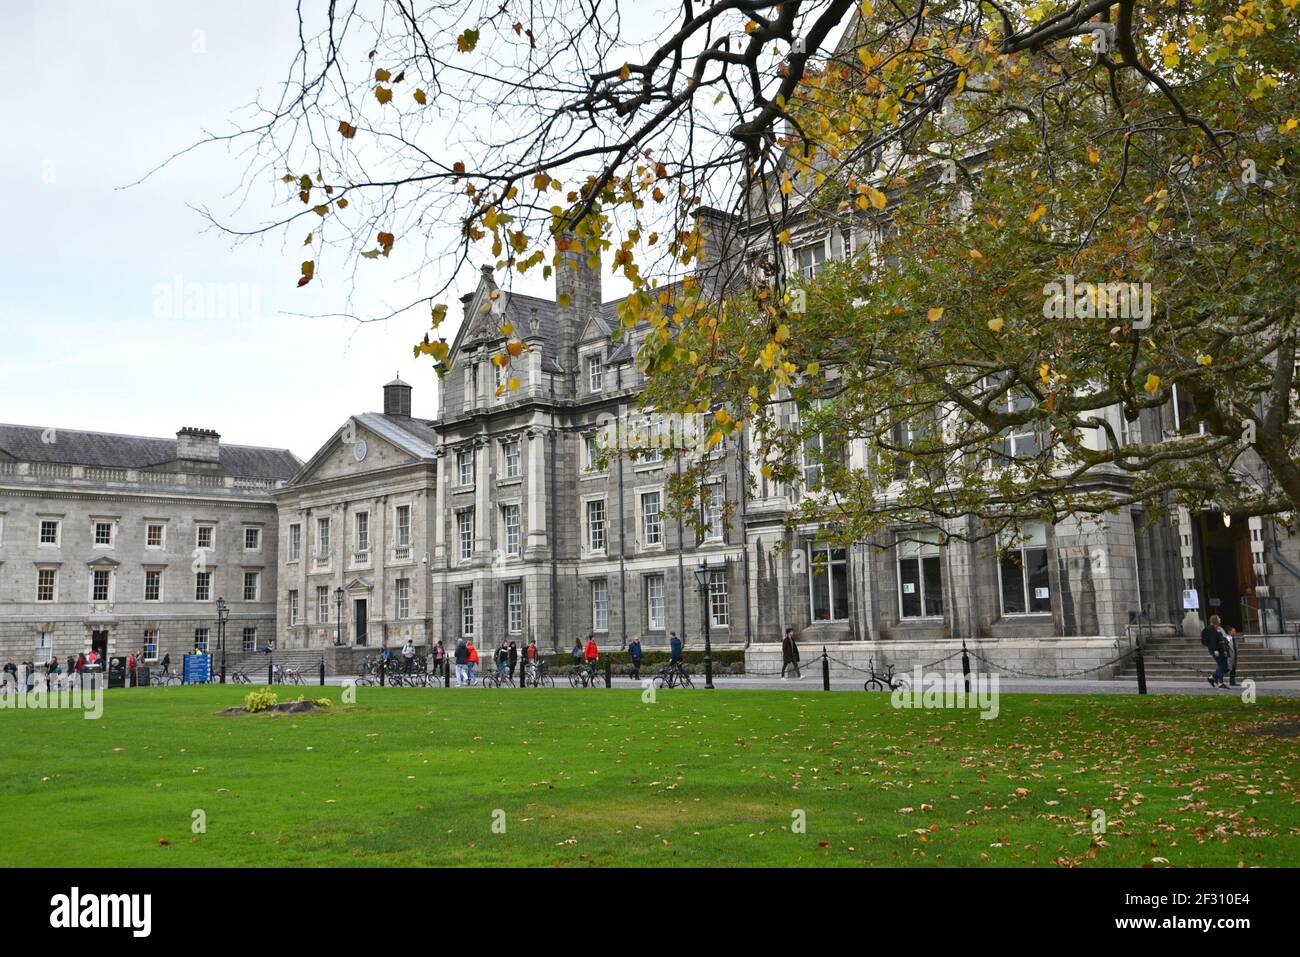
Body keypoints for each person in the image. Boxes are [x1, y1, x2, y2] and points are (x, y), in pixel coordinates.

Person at [1202, 614, 1229, 689]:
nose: (1220, 619)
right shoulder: (1210, 629)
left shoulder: (1218, 628)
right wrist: (1214, 650)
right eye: (1218, 618)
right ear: (1215, 620)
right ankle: (1220, 683)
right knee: (1221, 665)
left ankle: (1212, 677)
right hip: (1216, 650)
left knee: (1224, 666)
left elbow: (1221, 639)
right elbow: (1211, 641)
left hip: (1221, 649)